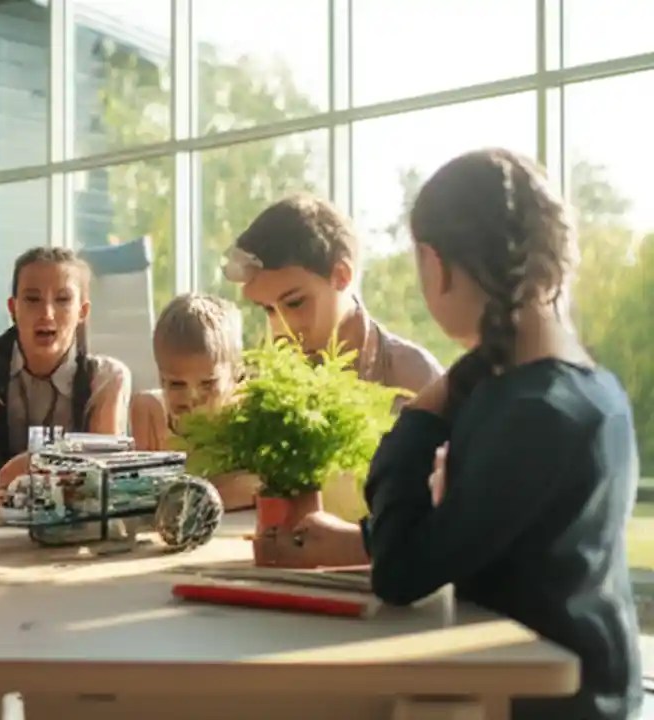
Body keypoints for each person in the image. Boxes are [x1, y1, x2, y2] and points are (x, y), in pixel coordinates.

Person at [298, 149, 640, 719]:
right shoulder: (591, 387)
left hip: (544, 706)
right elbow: (492, 531)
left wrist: (423, 413)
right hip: (595, 692)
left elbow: (403, 573)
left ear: (435, 264)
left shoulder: (530, 412)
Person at [223, 193, 442, 401]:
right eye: (268, 309)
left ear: (341, 275)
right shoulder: (260, 389)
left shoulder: (416, 380)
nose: (283, 330)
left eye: (295, 303)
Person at [0, 246, 131, 490]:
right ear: (13, 308)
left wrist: (35, 476)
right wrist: (13, 485)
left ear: (83, 312)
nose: (46, 313)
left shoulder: (106, 378)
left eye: (63, 300)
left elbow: (100, 473)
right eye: (32, 299)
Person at [130, 293, 257, 509]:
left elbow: (261, 485)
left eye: (208, 384)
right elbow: (147, 493)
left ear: (237, 375)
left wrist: (189, 496)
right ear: (161, 378)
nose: (191, 398)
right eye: (176, 384)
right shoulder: (153, 415)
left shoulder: (250, 418)